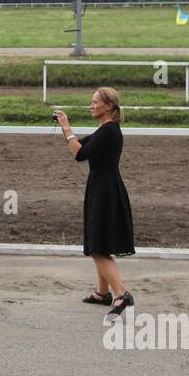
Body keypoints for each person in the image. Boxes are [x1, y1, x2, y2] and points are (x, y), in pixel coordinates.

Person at [53, 88, 136, 325]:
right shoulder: (105, 130)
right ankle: (102, 293)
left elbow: (80, 153)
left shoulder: (109, 131)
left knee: (97, 247)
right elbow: (82, 144)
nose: (91, 106)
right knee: (99, 241)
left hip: (105, 192)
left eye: (95, 102)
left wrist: (67, 128)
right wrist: (64, 128)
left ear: (108, 106)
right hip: (104, 188)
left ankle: (121, 294)